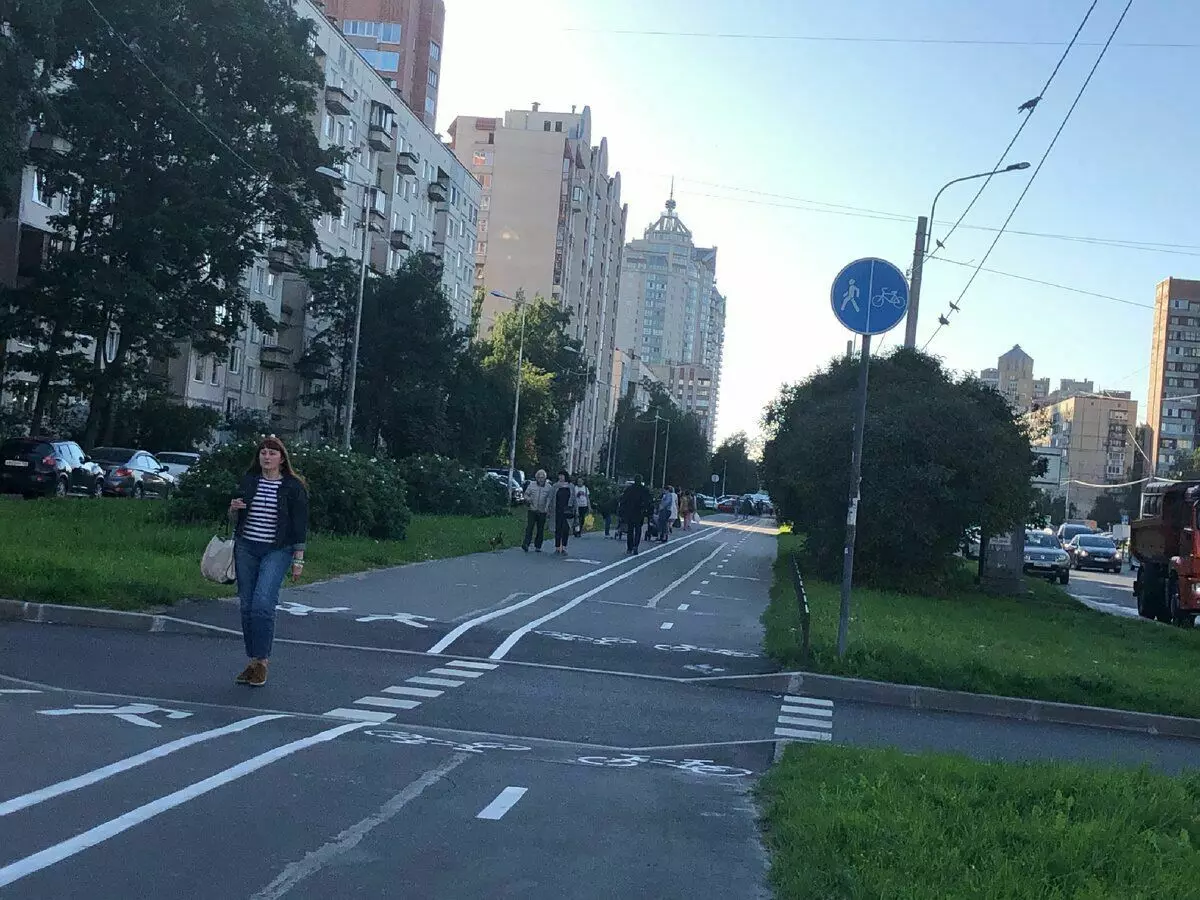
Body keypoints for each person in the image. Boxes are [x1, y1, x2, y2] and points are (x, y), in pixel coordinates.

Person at [227, 436, 309, 687]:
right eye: (263, 452)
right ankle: (253, 661)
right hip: (246, 547)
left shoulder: (293, 487)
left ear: (282, 459)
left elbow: (299, 524)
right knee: (247, 605)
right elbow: (234, 519)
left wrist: (299, 559)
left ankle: (262, 662)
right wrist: (233, 508)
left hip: (277, 549)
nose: (266, 456)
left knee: (263, 603)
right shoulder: (250, 481)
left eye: (272, 453)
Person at [619, 474, 652, 555]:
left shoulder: (629, 489)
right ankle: (636, 546)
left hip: (630, 512)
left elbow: (623, 500)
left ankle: (629, 548)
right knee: (638, 530)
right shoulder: (644, 490)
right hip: (640, 512)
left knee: (630, 530)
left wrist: (622, 511)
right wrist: (647, 512)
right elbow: (649, 501)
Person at [522, 469, 553, 552]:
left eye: (542, 477)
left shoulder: (548, 487)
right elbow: (525, 494)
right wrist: (528, 499)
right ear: (536, 478)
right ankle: (526, 544)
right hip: (532, 509)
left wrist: (548, 509)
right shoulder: (532, 485)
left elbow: (550, 499)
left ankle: (538, 546)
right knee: (529, 527)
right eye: (539, 477)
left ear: (545, 478)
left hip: (543, 511)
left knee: (540, 529)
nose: (540, 479)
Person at [552, 469, 576, 554]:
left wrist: (575, 510)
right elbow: (551, 498)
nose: (560, 477)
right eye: (559, 476)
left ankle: (564, 547)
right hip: (557, 510)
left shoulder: (571, 486)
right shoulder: (555, 486)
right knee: (557, 528)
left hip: (567, 511)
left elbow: (574, 499)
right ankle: (557, 547)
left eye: (562, 475)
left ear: (565, 476)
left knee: (566, 529)